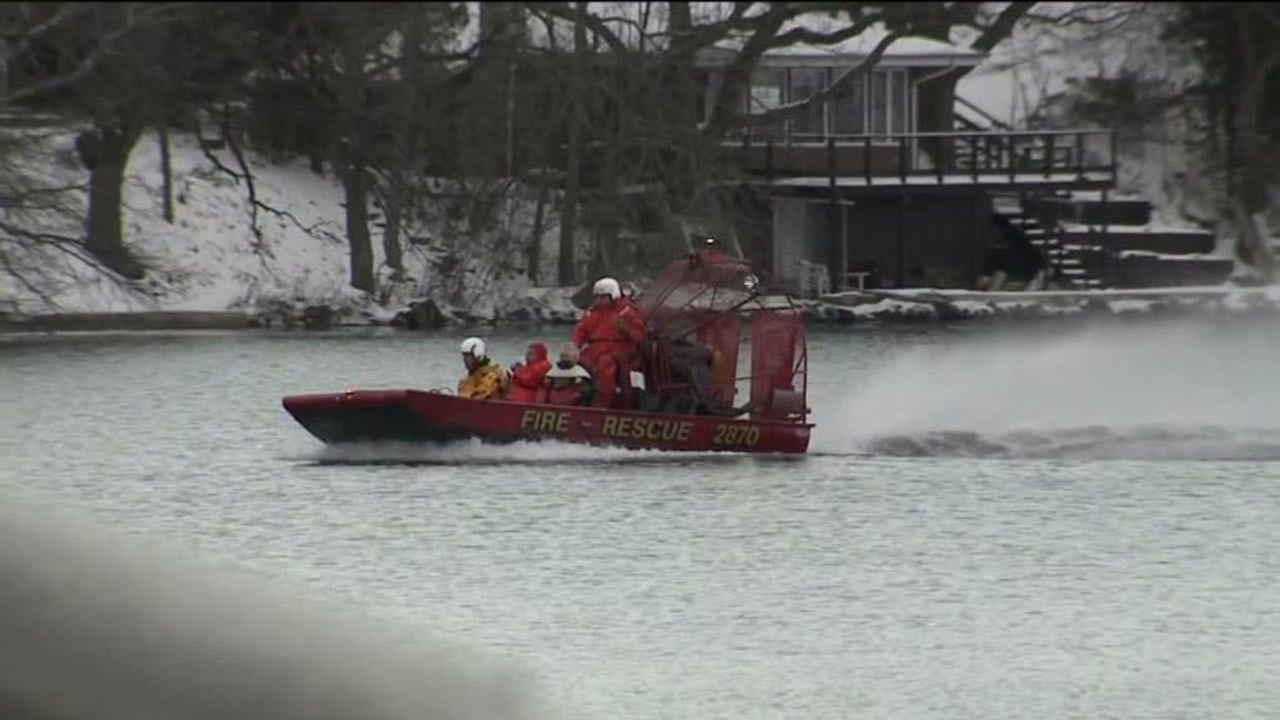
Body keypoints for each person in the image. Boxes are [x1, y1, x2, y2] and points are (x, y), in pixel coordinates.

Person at [570, 277, 646, 408]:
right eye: (597, 297)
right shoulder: (591, 313)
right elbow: (581, 331)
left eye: (603, 297)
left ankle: (602, 403)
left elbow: (640, 336)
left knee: (606, 364)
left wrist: (626, 330)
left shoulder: (626, 311)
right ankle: (573, 398)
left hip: (620, 349)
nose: (599, 301)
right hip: (596, 348)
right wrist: (573, 347)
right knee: (575, 363)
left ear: (613, 295)